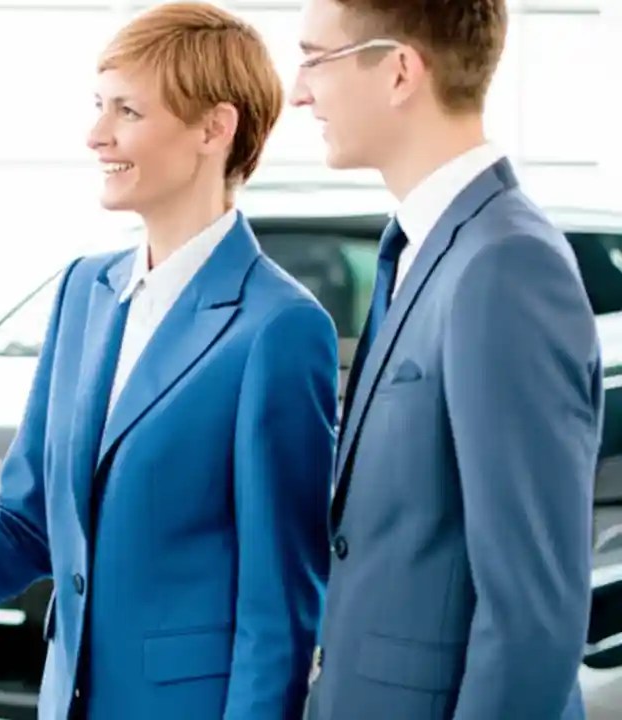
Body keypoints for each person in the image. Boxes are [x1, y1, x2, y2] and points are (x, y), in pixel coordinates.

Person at [0, 3, 339, 717]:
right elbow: (25, 523)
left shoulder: (279, 328)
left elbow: (279, 607)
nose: (96, 135)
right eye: (98, 106)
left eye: (127, 111)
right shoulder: (85, 291)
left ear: (215, 128)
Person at [289, 1, 601, 718]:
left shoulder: (507, 263)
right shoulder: (424, 248)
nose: (299, 91)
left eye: (314, 59)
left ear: (399, 70)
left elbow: (532, 613)